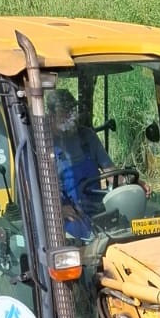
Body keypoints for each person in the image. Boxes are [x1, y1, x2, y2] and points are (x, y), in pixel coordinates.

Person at [46, 87, 110, 233]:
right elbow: (33, 193)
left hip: (96, 210)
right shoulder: (43, 144)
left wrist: (131, 183)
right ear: (51, 116)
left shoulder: (87, 136)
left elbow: (111, 172)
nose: (71, 118)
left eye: (72, 112)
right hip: (64, 221)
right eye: (65, 114)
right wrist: (58, 210)